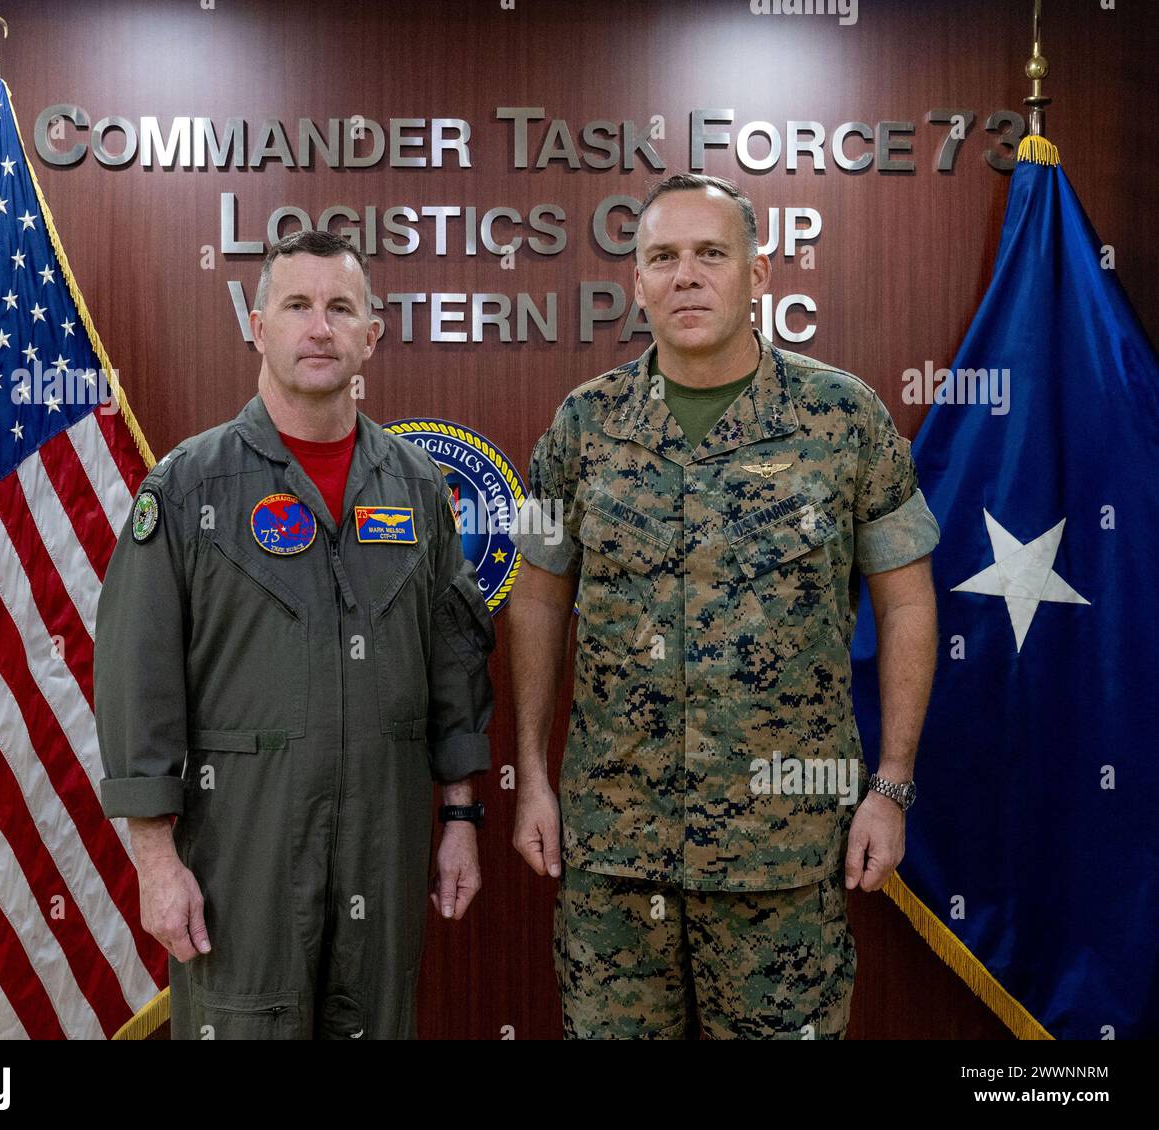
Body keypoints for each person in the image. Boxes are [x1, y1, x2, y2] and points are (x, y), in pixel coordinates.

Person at [507, 172, 939, 1039]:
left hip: (782, 858)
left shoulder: (843, 418)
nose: (687, 275)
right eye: (663, 257)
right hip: (616, 858)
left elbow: (907, 604)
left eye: (712, 253)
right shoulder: (581, 426)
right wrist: (533, 779)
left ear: (759, 273)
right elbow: (538, 602)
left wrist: (891, 786)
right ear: (637, 282)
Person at [94, 230, 495, 1040]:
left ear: (371, 335)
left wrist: (460, 819)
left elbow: (454, 667)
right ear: (257, 324)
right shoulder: (187, 488)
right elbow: (139, 683)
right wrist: (154, 860)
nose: (320, 328)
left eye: (341, 308)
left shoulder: (417, 490)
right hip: (242, 848)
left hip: (382, 844)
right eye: (298, 306)